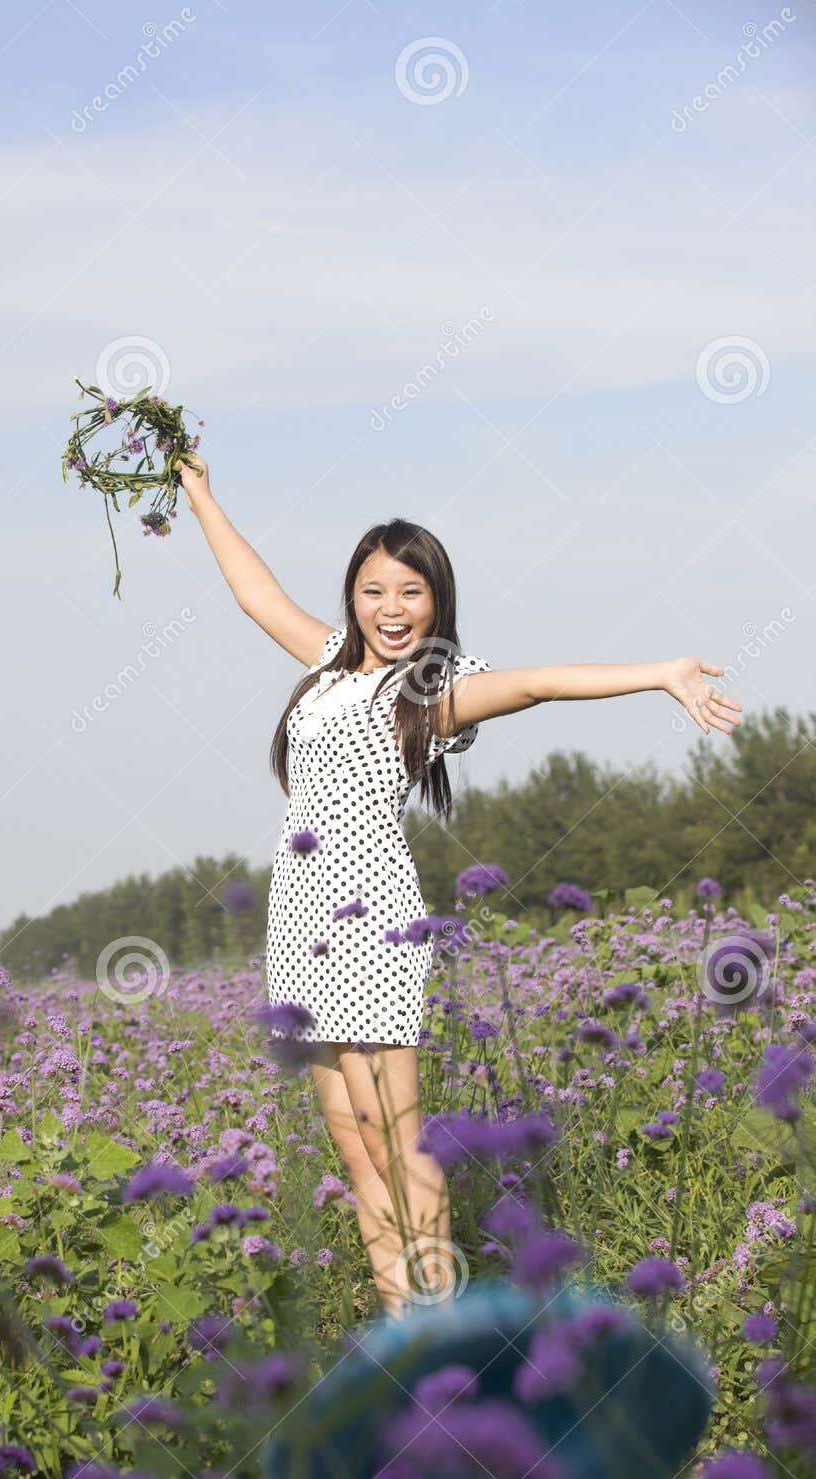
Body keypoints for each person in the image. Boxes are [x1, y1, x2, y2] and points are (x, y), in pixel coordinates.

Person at [179, 452, 743, 1319]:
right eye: (374, 591)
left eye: (411, 592)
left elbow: (542, 684)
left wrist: (659, 672)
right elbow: (254, 593)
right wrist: (201, 495)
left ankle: (445, 1331)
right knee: (354, 1149)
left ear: (435, 604)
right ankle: (404, 1327)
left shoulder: (428, 694)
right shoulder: (329, 664)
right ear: (352, 598)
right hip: (297, 920)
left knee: (397, 1141)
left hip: (372, 922)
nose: (391, 609)